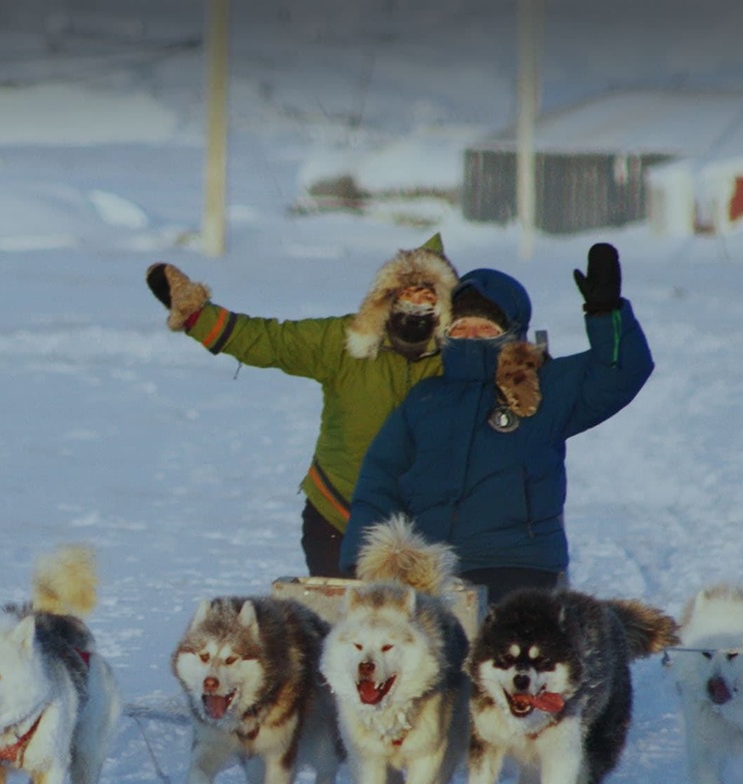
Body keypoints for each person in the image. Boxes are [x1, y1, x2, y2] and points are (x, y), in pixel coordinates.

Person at [339, 243, 652, 603]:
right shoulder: (426, 398)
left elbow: (622, 372)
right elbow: (379, 483)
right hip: (430, 566)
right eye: (461, 327)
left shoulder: (544, 385)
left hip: (518, 566)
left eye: (485, 328)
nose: (471, 337)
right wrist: (358, 561)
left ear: (511, 332)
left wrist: (605, 313)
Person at [147, 236, 459, 577]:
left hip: (425, 523)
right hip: (338, 510)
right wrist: (196, 315)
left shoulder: (459, 361)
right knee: (342, 618)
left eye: (428, 296)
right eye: (406, 293)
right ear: (386, 297)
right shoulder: (343, 341)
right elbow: (271, 340)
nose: (416, 305)